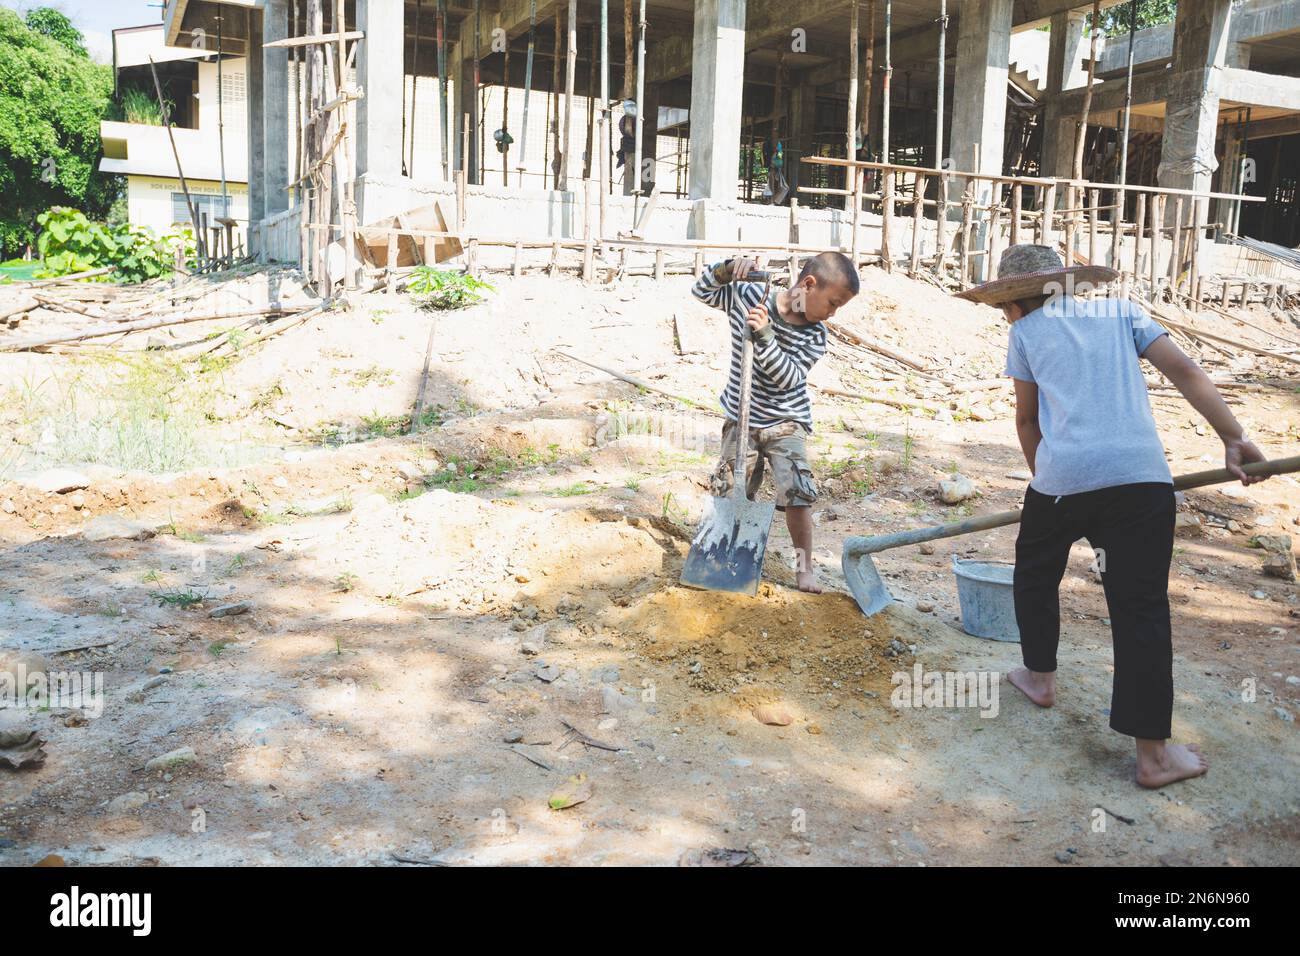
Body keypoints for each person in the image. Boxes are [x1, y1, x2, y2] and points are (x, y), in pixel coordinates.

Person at [956, 243, 1269, 788]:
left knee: (1034, 576)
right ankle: (1152, 757)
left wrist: (1049, 479)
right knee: (1139, 610)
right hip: (1140, 482)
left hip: (1060, 484)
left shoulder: (1024, 334)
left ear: (1013, 303)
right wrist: (1234, 437)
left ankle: (1039, 677)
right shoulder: (1122, 312)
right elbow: (1186, 371)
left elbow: (1028, 423)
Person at [691, 252, 860, 592]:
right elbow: (702, 291)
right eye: (833, 303)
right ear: (808, 285)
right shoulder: (751, 296)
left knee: (798, 494)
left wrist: (765, 335)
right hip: (741, 418)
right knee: (728, 491)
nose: (833, 313)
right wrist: (727, 269)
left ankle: (804, 569)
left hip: (786, 422)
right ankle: (719, 560)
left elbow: (788, 378)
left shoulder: (814, 336)